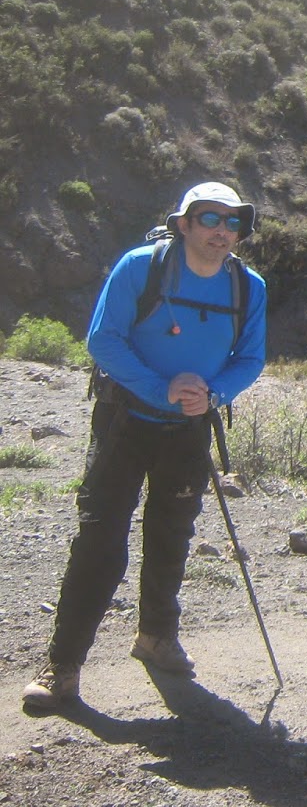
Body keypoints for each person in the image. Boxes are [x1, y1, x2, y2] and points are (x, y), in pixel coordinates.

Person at [23, 182, 268, 713]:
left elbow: (250, 359)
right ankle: (62, 667)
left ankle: (156, 637)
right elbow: (103, 340)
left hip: (188, 429)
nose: (222, 231)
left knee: (172, 534)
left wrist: (212, 393)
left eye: (234, 222)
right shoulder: (140, 266)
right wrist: (161, 390)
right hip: (124, 422)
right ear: (183, 223)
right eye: (210, 219)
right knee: (100, 541)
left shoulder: (249, 287)